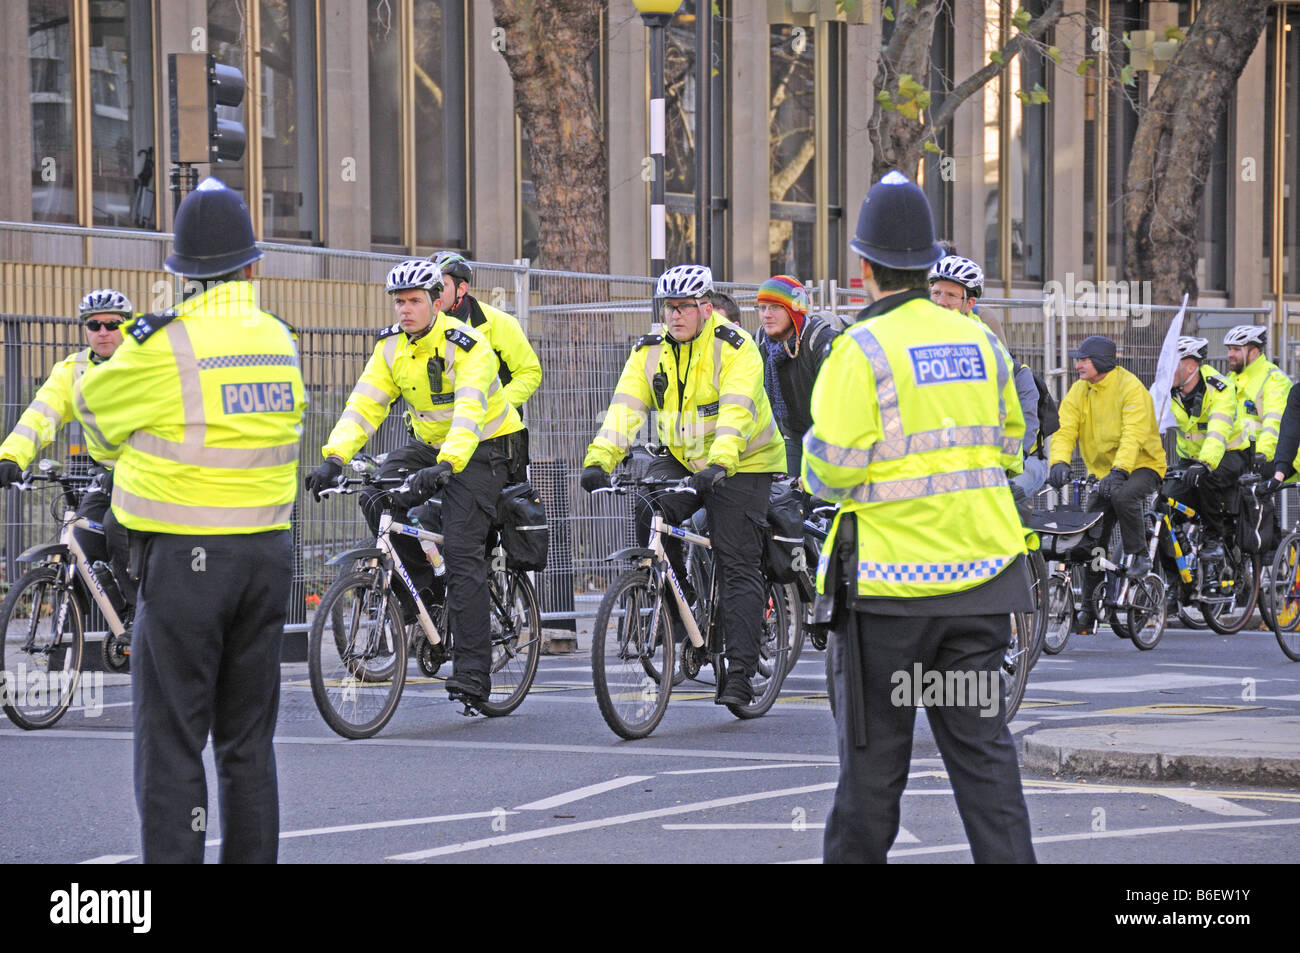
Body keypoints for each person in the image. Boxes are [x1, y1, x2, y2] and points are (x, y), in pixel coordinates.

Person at [804, 171, 1036, 864]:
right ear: (928, 263)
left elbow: (831, 468)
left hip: (889, 604)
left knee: (873, 779)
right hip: (980, 592)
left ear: (865, 265)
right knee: (985, 764)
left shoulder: (860, 349)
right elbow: (1007, 443)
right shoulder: (981, 343)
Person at [73, 176, 305, 863]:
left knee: (172, 740)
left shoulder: (163, 343)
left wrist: (130, 447)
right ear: (253, 265)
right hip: (266, 554)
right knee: (247, 744)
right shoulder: (278, 339)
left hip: (185, 563)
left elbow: (94, 416)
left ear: (179, 270)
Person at [305, 258, 523, 709]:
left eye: (414, 301)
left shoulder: (469, 345)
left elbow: (468, 412)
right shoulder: (391, 347)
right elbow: (365, 405)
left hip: (484, 447)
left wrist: (446, 466)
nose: (404, 310)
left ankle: (472, 675)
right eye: (398, 302)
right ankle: (422, 591)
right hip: (430, 445)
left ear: (437, 301)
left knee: (463, 551)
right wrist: (333, 456)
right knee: (374, 494)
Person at [580, 263, 785, 706]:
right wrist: (600, 459)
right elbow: (625, 410)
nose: (674, 316)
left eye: (684, 307)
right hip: (685, 457)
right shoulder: (649, 351)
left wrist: (720, 465)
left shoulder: (736, 346)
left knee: (736, 561)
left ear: (706, 307)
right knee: (647, 507)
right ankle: (681, 602)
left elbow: (737, 413)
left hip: (744, 461)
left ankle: (741, 674)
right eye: (668, 307)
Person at [0, 289, 134, 612]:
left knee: (118, 527)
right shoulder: (73, 371)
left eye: (113, 324)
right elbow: (41, 415)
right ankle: (101, 614)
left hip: (146, 473)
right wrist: (11, 456)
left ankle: (144, 614)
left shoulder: (143, 366)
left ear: (127, 326)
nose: (103, 332)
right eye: (94, 325)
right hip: (107, 476)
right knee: (80, 534)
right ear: (85, 329)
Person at [1046, 335, 1167, 623]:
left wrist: (1120, 471)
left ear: (1100, 361)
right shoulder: (1080, 390)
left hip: (1142, 464)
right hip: (1105, 473)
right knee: (1092, 539)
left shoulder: (1131, 388)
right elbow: (1065, 430)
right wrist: (1059, 461)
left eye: (1083, 360)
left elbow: (1133, 435)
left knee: (1125, 496)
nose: (1077, 365)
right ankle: (1088, 609)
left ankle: (1139, 555)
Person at [927, 255, 1046, 500]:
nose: (941, 301)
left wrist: (1001, 468)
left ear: (969, 303)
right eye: (936, 293)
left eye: (951, 295)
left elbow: (1011, 412)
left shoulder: (983, 343)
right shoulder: (917, 334)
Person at [427, 251, 541, 482]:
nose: (433, 294)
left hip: (495, 436)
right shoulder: (424, 326)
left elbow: (529, 372)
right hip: (442, 434)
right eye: (429, 287)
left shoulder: (499, 323)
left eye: (441, 286)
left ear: (461, 289)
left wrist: (496, 406)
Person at [1166, 336, 1248, 558]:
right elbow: (1148, 428)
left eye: (1173, 363)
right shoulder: (1167, 390)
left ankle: (1214, 539)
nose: (1167, 369)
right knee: (1164, 504)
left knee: (1206, 479)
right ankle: (1177, 583)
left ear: (1191, 365)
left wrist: (1204, 463)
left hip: (1229, 454)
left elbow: (1217, 432)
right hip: (1191, 459)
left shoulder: (1220, 389)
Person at [753, 275, 840, 477]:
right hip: (792, 435)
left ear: (795, 310)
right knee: (787, 497)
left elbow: (840, 404)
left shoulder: (821, 341)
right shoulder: (761, 342)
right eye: (762, 307)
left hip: (830, 438)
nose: (766, 315)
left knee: (821, 502)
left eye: (775, 307)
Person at [1224, 325, 1291, 475]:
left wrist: (1261, 454)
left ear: (1253, 352)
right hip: (1235, 454)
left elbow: (1274, 422)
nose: (1229, 354)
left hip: (1265, 455)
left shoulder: (1274, 379)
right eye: (1229, 349)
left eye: (1235, 349)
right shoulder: (1230, 379)